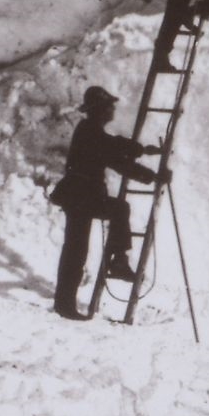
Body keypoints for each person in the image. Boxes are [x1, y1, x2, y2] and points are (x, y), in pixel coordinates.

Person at [49, 85, 161, 319]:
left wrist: (142, 150)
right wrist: (152, 176)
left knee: (76, 249)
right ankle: (68, 302)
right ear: (100, 110)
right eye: (109, 106)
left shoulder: (89, 129)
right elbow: (116, 157)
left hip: (80, 196)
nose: (112, 110)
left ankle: (66, 301)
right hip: (82, 197)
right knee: (77, 250)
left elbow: (114, 146)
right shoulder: (92, 132)